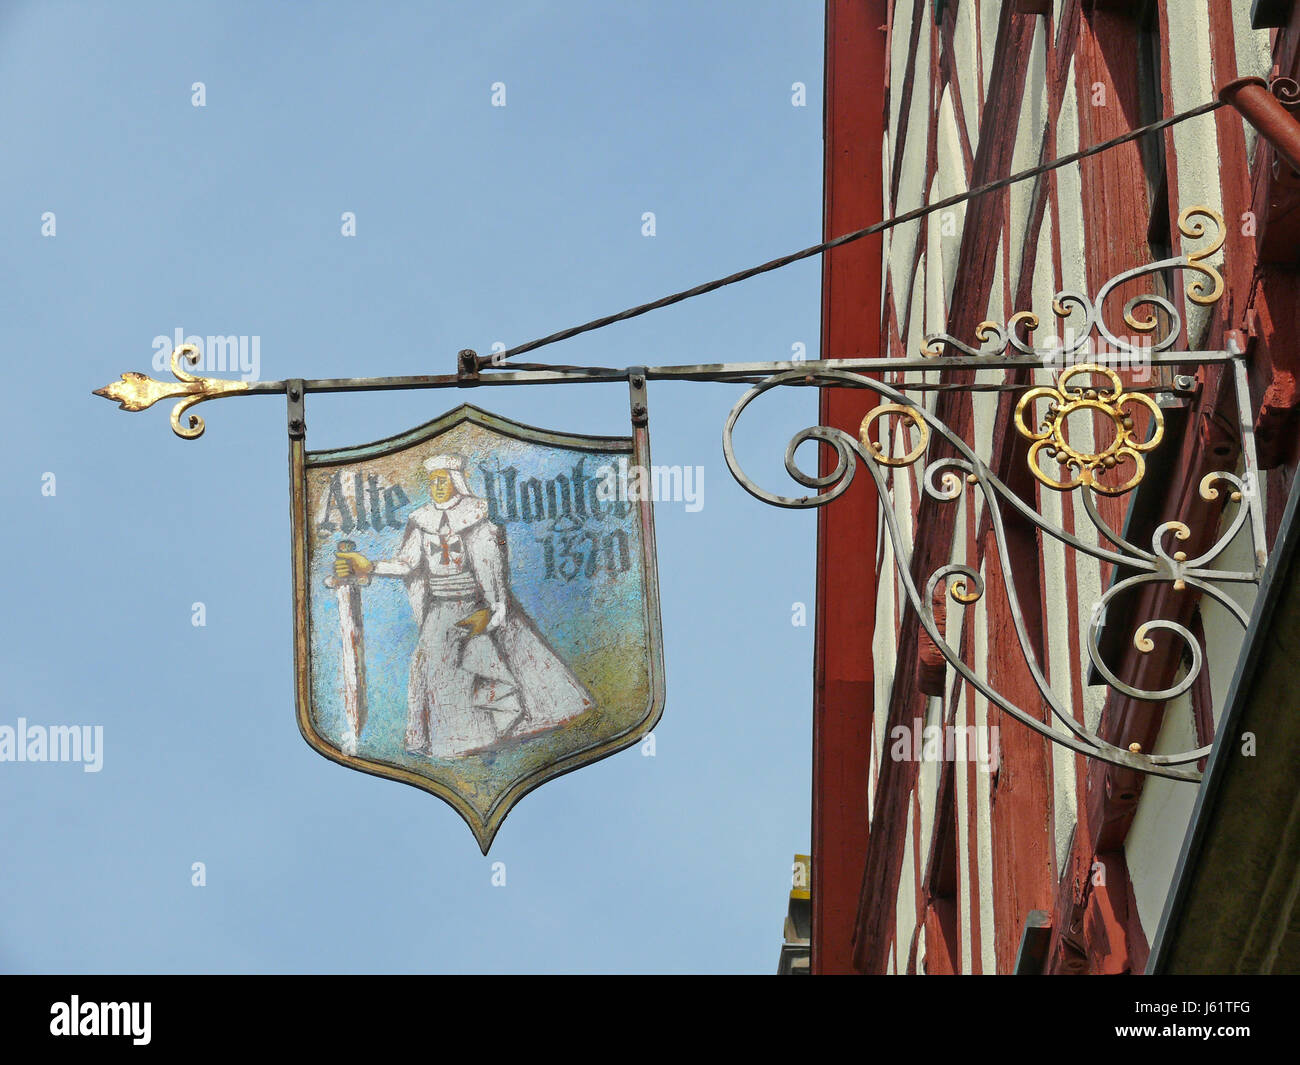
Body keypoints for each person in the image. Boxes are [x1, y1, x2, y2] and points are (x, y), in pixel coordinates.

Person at [333, 453, 594, 758]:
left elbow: (490, 568)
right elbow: (406, 565)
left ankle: (487, 737)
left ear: (456, 481)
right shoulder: (422, 521)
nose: (437, 485)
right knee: (437, 674)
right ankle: (451, 743)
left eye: (442, 479)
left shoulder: (475, 517)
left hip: (473, 606)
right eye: (432, 481)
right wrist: (370, 566)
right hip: (439, 612)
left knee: (481, 668)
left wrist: (495, 611)